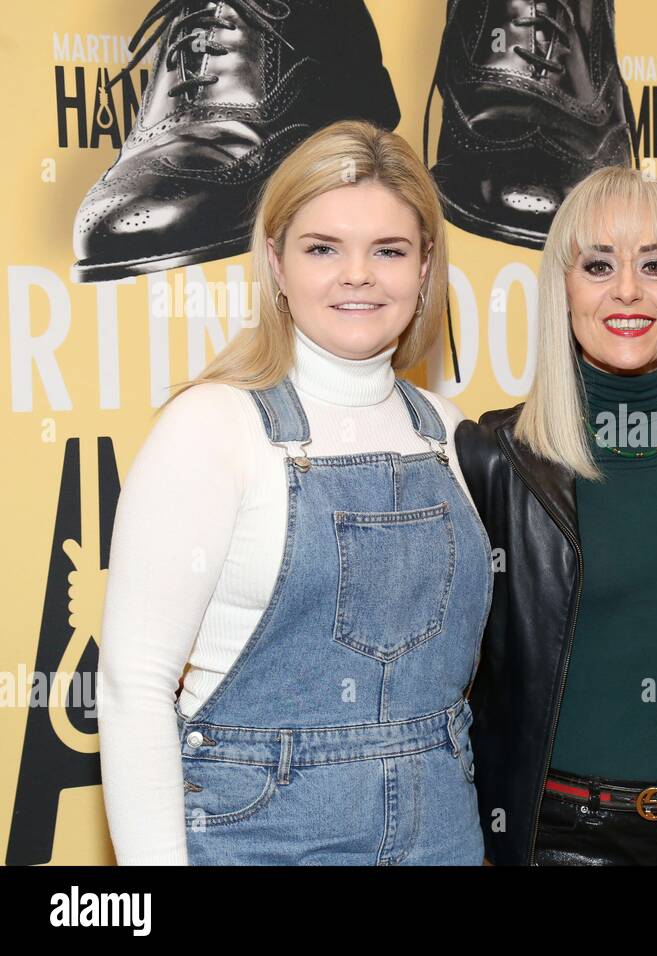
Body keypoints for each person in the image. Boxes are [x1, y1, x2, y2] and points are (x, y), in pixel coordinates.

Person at [96, 120, 492, 865]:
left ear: (426, 264)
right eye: (323, 249)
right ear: (275, 261)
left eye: (389, 250)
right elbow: (132, 687)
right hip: (257, 841)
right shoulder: (211, 427)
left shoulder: (451, 435)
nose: (358, 276)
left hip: (443, 837)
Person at [455, 166, 657, 865]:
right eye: (598, 265)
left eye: (655, 264)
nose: (627, 290)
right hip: (564, 839)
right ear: (563, 289)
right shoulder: (492, 461)